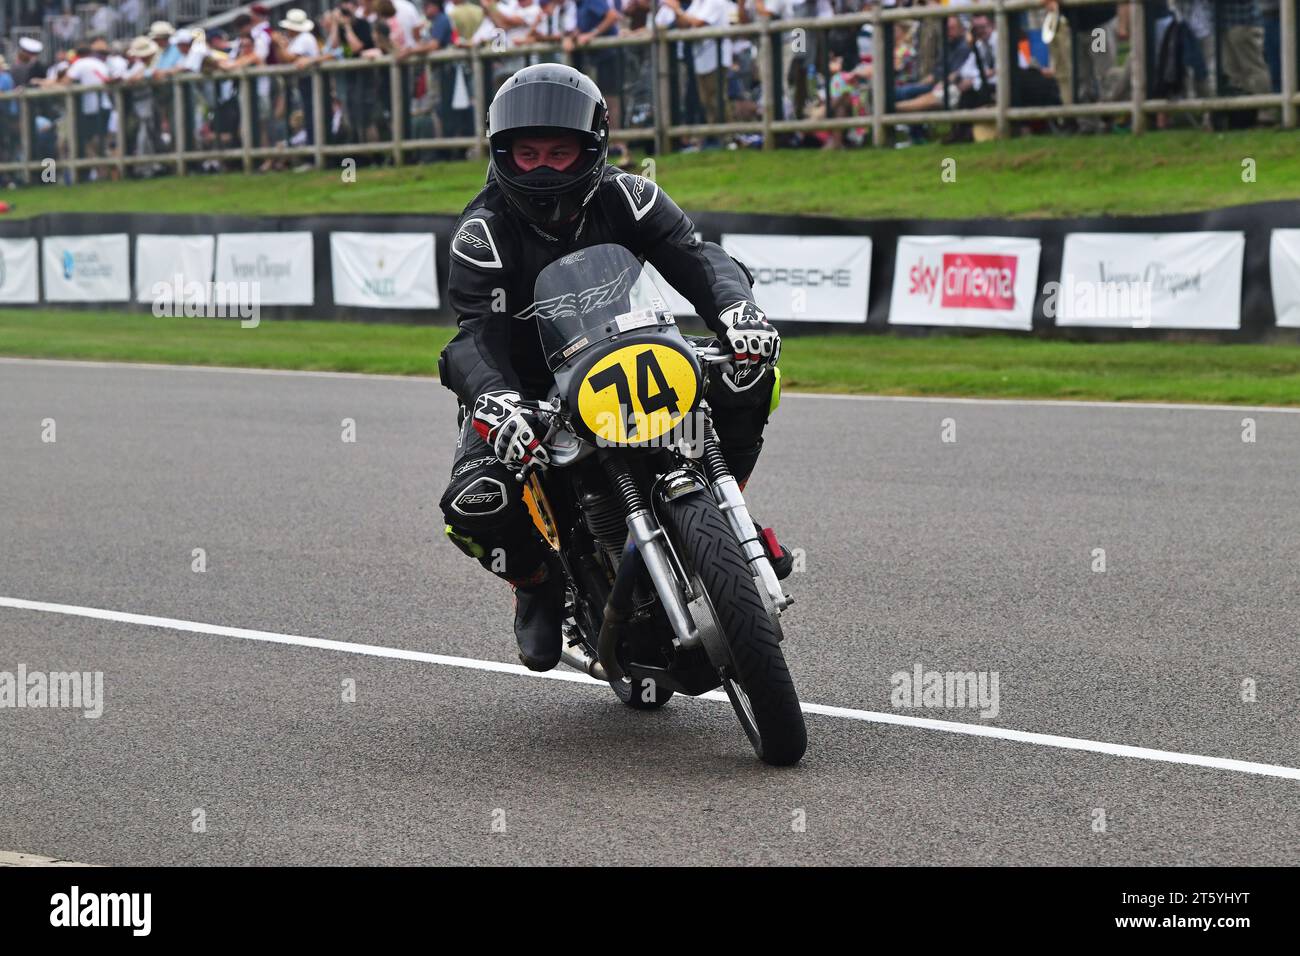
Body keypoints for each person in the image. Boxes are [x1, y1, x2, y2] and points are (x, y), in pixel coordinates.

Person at [438, 64, 786, 672]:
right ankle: (535, 581)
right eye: (527, 154)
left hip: (630, 351)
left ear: (592, 149)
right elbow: (474, 340)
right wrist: (497, 400)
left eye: (559, 151)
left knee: (751, 372)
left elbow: (699, 261)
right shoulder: (482, 235)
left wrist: (737, 312)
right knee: (475, 501)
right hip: (529, 391)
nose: (543, 168)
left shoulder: (631, 197)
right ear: (501, 155)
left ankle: (726, 517)